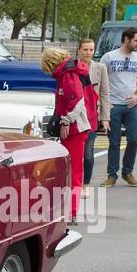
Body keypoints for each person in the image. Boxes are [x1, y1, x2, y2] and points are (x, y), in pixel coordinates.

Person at [41, 47, 96, 218]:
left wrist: (65, 121)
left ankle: (71, 212)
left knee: (73, 171)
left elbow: (77, 101)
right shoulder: (71, 71)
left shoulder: (68, 74)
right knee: (73, 169)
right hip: (78, 127)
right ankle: (70, 210)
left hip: (74, 128)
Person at [100, 27, 137, 187]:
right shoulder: (109, 57)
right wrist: (104, 103)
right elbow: (100, 81)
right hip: (113, 106)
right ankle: (112, 175)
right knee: (114, 142)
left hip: (132, 106)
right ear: (126, 39)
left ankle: (127, 172)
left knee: (134, 139)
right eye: (136, 40)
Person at [77, 37, 110, 196]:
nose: (88, 53)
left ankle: (86, 185)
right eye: (85, 49)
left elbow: (105, 93)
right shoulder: (72, 67)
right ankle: (73, 184)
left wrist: (105, 117)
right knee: (75, 152)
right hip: (74, 116)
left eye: (91, 50)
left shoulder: (100, 68)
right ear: (79, 51)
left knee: (88, 152)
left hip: (91, 116)